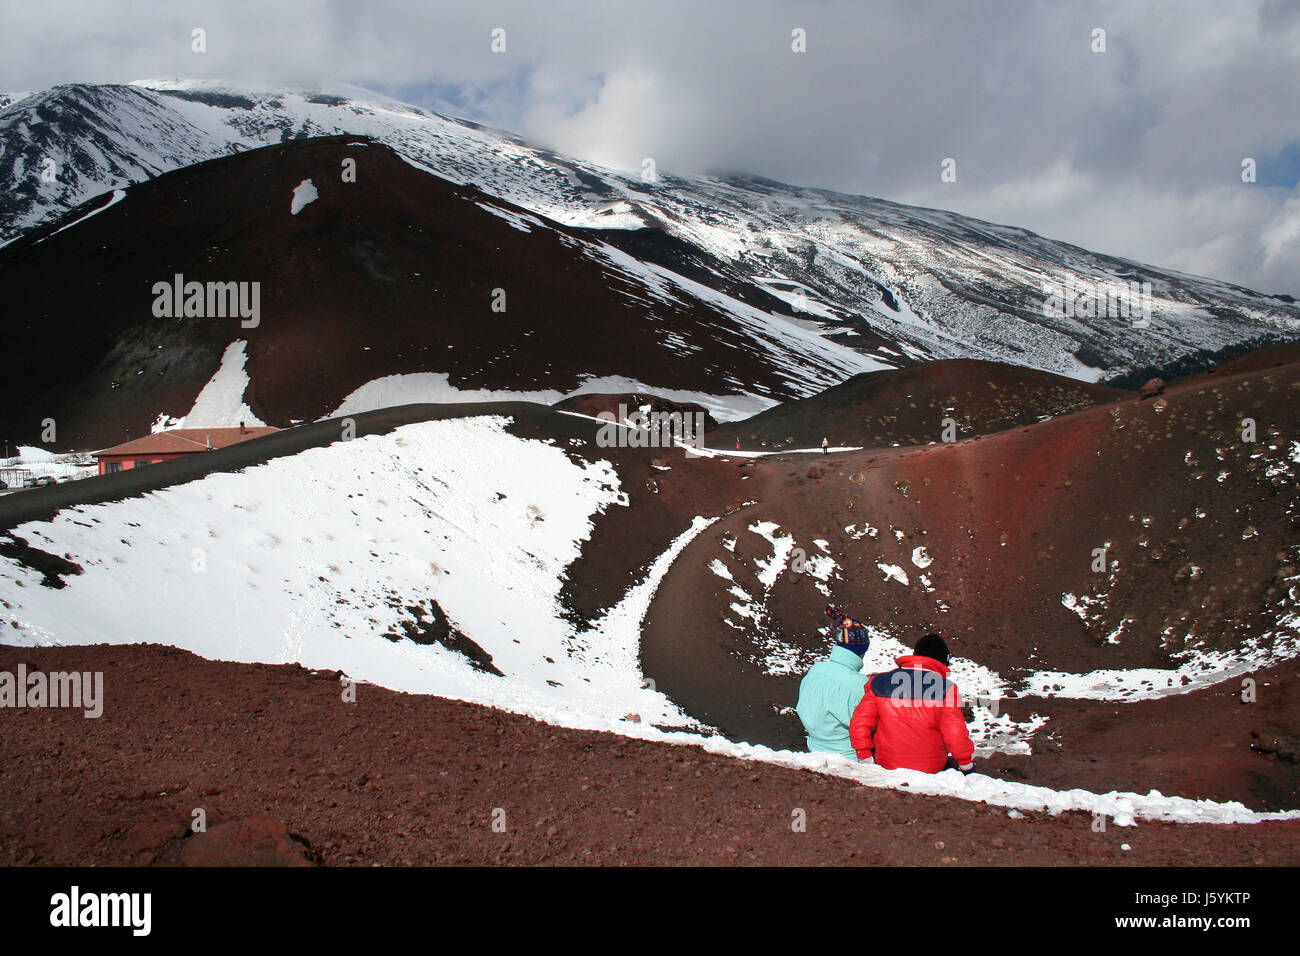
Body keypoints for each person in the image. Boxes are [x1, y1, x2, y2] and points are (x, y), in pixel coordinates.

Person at [849, 633, 975, 774]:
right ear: (942, 661)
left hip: (886, 765)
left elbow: (859, 723)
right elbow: (954, 732)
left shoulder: (879, 682)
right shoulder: (946, 688)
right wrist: (966, 765)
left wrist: (865, 758)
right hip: (931, 769)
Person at [796, 619, 872, 757]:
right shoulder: (860, 685)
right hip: (849, 756)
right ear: (863, 651)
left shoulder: (816, 670)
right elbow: (870, 726)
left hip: (815, 750)